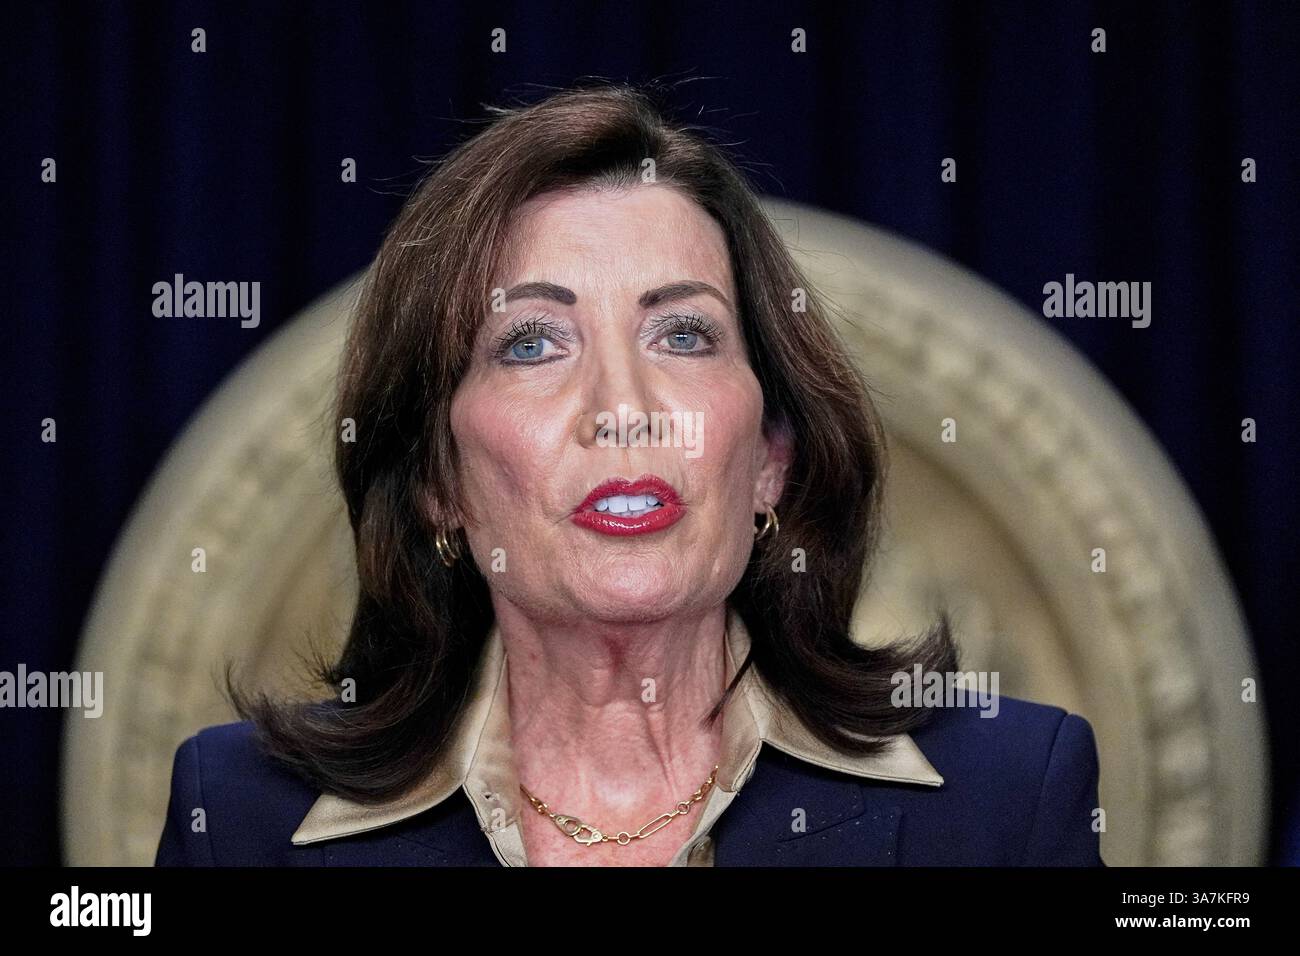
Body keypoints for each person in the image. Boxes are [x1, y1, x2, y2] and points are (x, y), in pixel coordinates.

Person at [156, 82, 1103, 867]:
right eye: (532, 343)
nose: (623, 404)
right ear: (439, 480)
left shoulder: (1009, 801)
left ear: (772, 456)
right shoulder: (239, 824)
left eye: (682, 333)